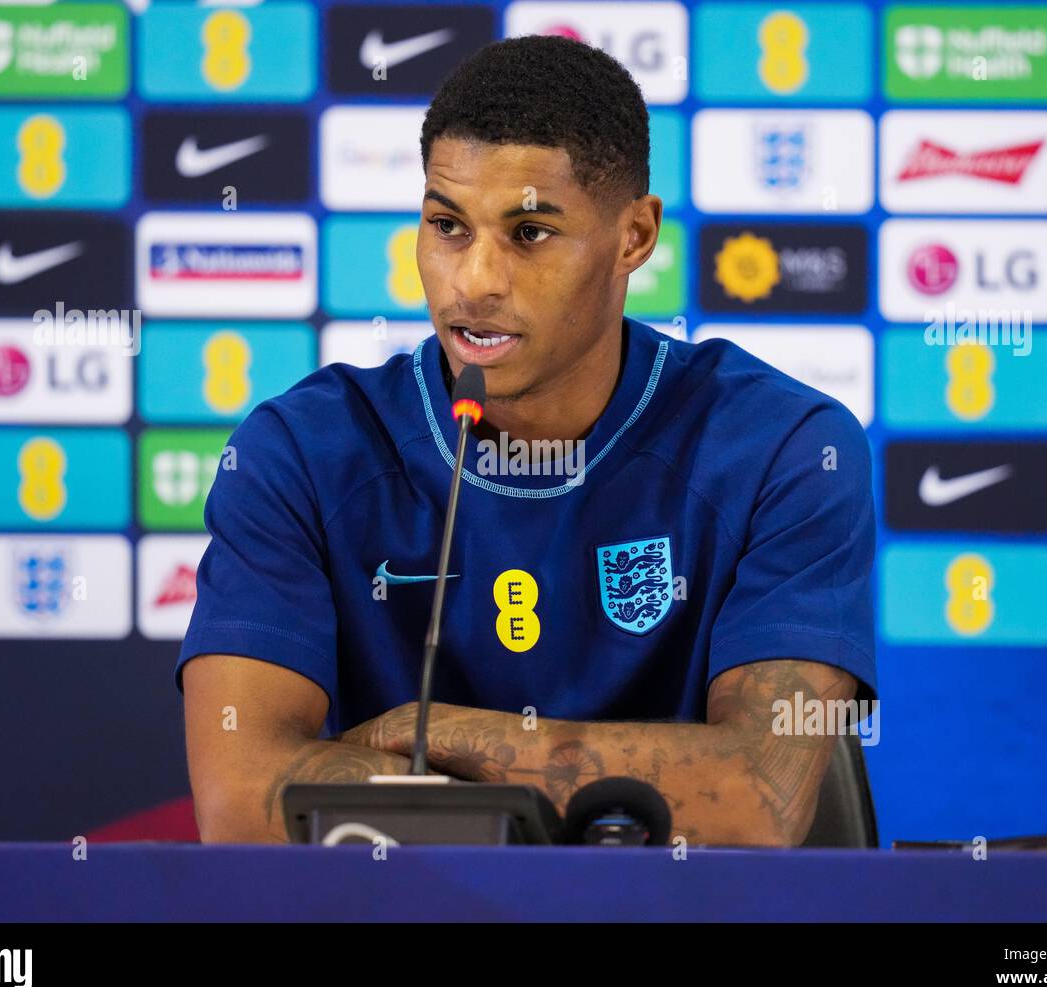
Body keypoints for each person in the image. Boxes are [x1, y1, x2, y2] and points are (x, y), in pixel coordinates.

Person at [178, 35, 875, 846]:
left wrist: (455, 739)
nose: (474, 281)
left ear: (634, 238)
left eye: (530, 233)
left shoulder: (785, 450)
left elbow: (761, 796)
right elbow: (238, 801)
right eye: (448, 225)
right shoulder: (298, 454)